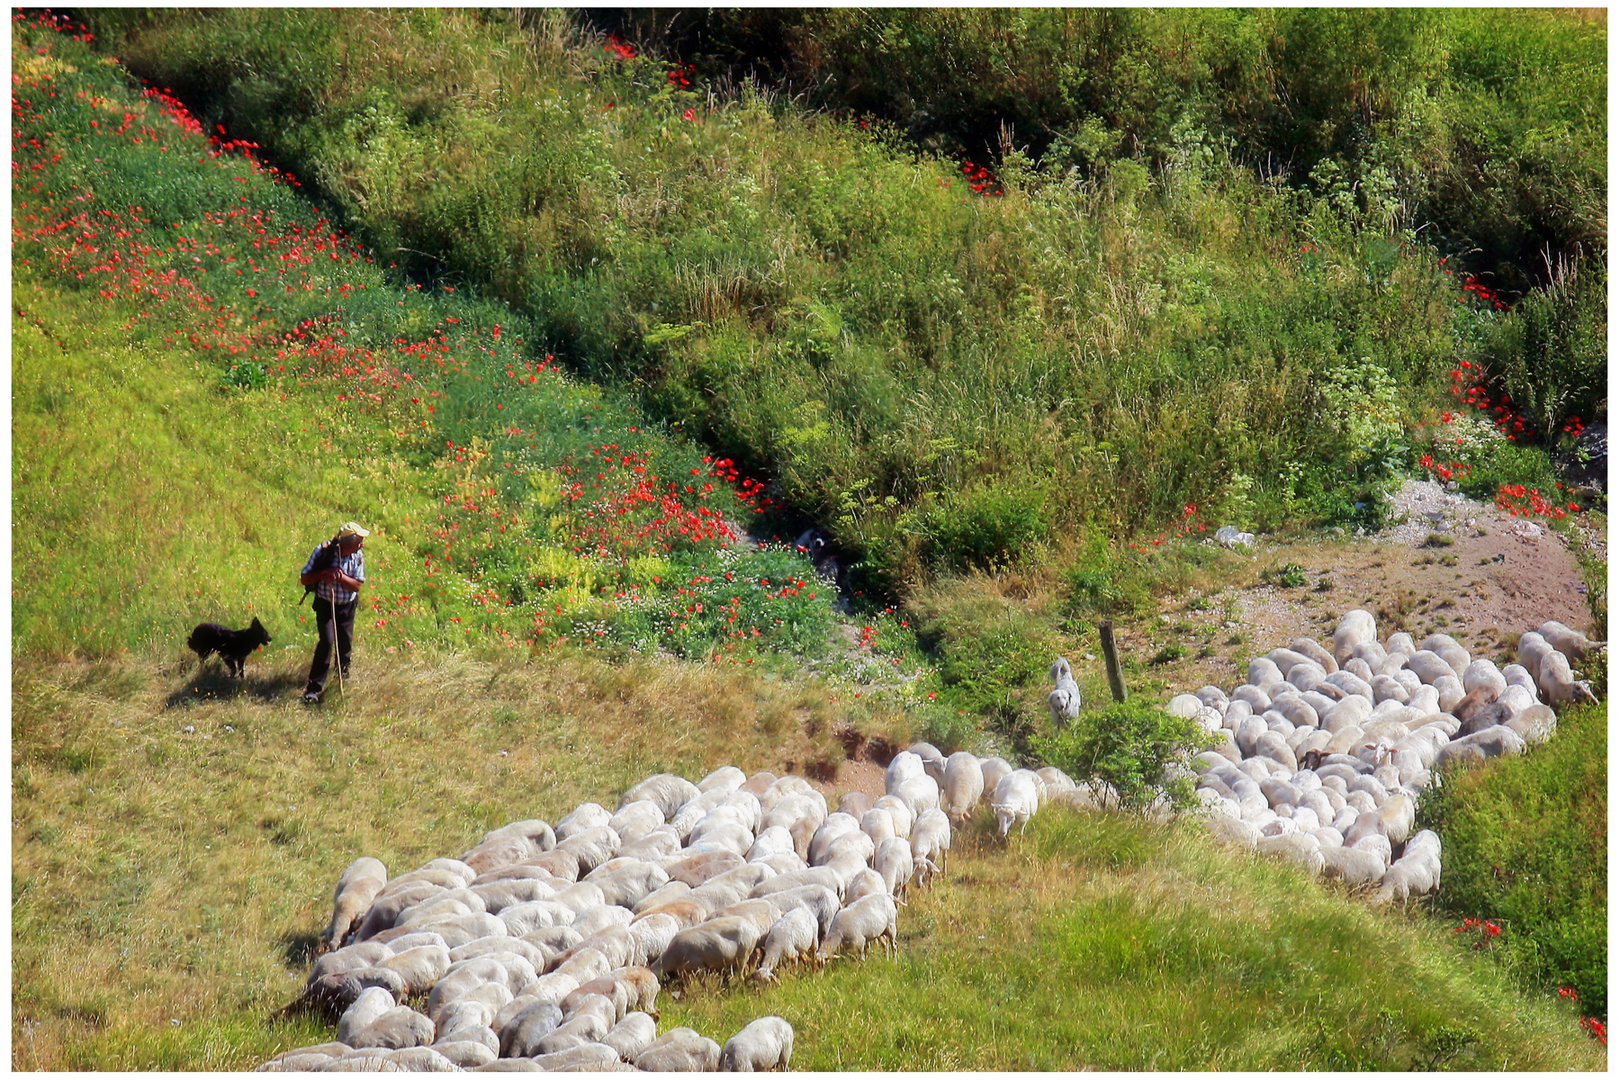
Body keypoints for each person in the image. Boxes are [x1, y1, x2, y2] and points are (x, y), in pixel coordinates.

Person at [300, 521, 368, 703]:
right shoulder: (322, 551)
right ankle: (313, 688)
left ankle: (342, 679)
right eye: (358, 541)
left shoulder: (357, 555)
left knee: (344, 643)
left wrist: (340, 576)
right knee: (327, 641)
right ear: (346, 543)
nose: (361, 545)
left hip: (347, 606)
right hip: (325, 604)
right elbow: (305, 577)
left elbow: (357, 585)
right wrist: (323, 573)